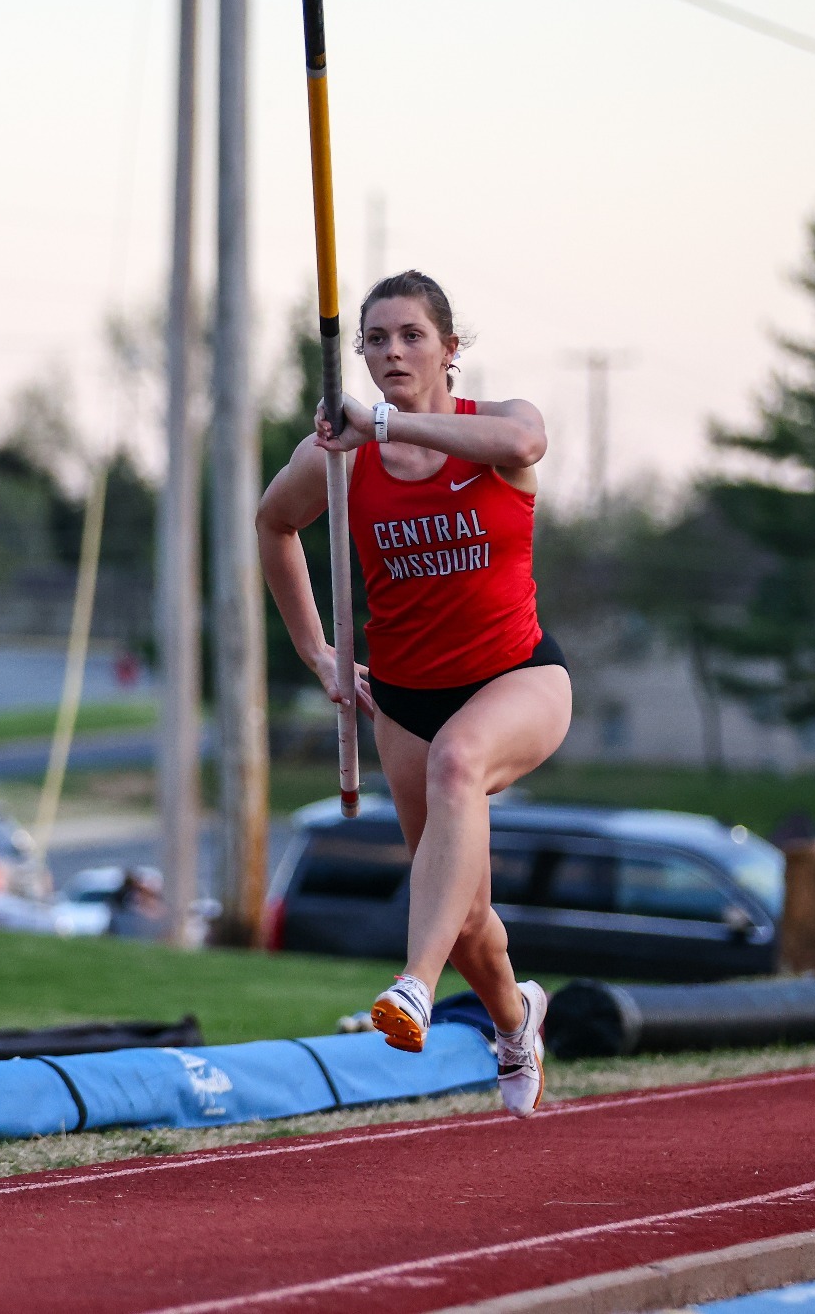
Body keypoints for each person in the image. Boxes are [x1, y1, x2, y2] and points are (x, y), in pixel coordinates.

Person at [256, 270, 572, 1118]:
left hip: (520, 677)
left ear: (449, 349)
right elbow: (273, 525)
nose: (392, 351)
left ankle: (413, 989)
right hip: (403, 697)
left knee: (462, 762)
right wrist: (319, 652)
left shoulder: (502, 422)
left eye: (411, 336)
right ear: (356, 352)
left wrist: (386, 423)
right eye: (376, 339)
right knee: (467, 916)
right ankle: (515, 1020)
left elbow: (527, 448)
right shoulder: (338, 457)